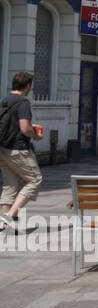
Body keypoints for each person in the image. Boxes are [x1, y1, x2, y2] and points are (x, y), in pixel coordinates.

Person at [0, 72, 44, 232]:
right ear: (27, 86)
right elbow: (25, 129)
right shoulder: (23, 103)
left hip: (3, 148)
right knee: (35, 180)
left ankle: (3, 225)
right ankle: (9, 215)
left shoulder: (5, 100)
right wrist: (36, 135)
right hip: (18, 150)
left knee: (10, 184)